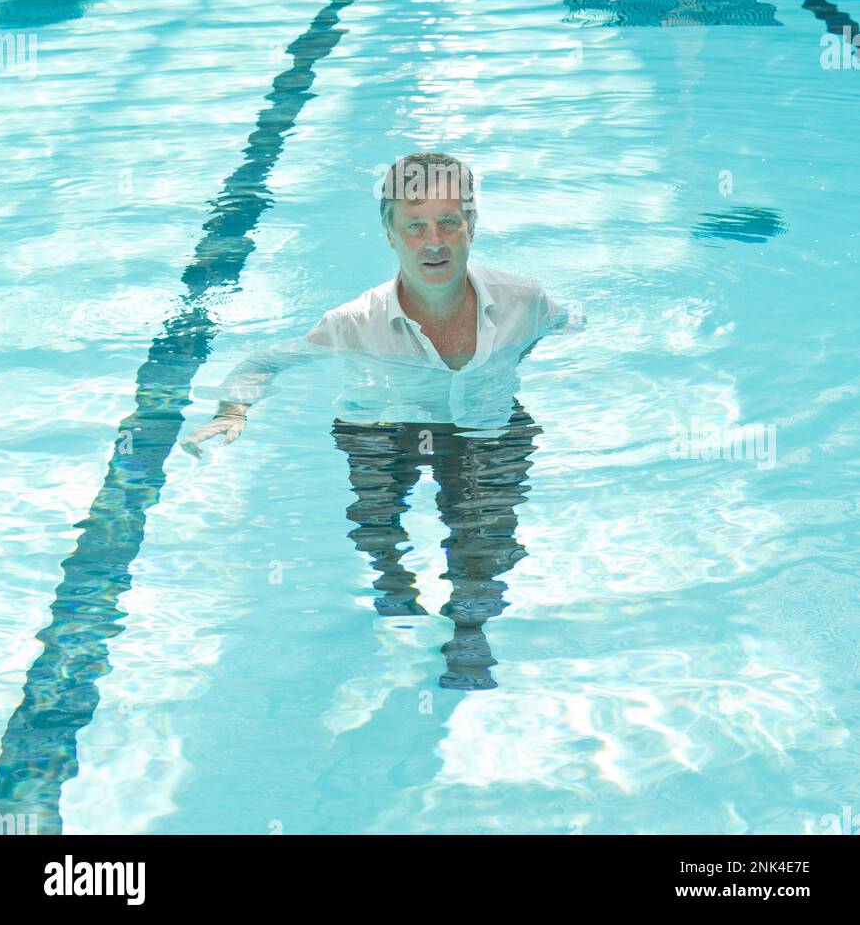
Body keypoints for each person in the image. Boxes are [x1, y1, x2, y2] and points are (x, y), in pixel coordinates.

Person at [181, 151, 585, 688]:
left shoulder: (522, 300)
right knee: (376, 522)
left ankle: (471, 626)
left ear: (472, 224)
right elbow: (266, 361)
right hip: (382, 425)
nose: (433, 242)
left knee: (487, 535)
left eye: (448, 222)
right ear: (389, 233)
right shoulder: (354, 323)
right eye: (414, 226)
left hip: (488, 427)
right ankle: (392, 584)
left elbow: (568, 324)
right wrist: (233, 410)